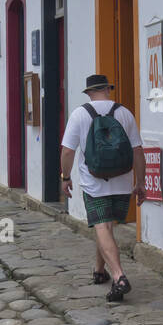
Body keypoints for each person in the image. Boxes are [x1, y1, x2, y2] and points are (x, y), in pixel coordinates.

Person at [59, 74, 146, 302]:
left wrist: (65, 177)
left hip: (94, 180)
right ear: (108, 89)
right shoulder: (124, 113)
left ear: (88, 93)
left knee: (102, 227)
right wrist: (141, 182)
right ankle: (100, 271)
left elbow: (68, 151)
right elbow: (137, 151)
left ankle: (119, 276)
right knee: (106, 226)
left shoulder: (80, 114)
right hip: (122, 179)